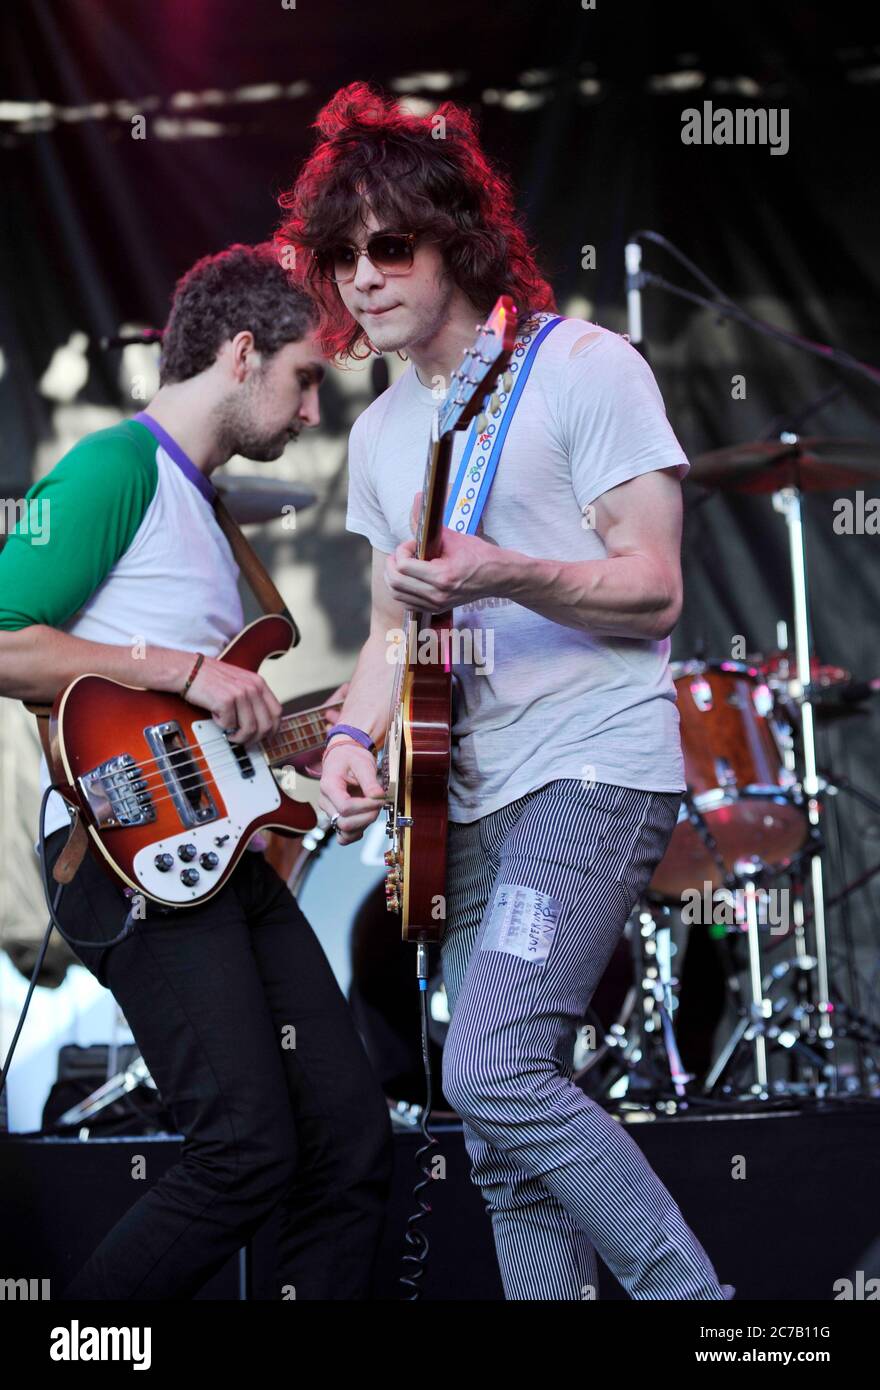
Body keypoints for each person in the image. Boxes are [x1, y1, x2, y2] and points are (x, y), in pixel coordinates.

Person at [277, 83, 734, 1301]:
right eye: (340, 254)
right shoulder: (381, 434)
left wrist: (510, 571)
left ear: (457, 240)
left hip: (588, 765)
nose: (362, 277)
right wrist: (352, 744)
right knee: (498, 1139)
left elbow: (653, 589)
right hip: (459, 801)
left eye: (389, 245)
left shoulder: (586, 365)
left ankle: (702, 1312)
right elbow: (388, 628)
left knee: (487, 1072)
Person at [0, 242, 393, 1300]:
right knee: (245, 1150)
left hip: (215, 855)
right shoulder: (114, 467)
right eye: (306, 377)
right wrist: (181, 668)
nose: (315, 411)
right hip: (125, 849)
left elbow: (224, 734)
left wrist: (333, 752)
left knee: (350, 1143)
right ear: (241, 351)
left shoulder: (208, 510)